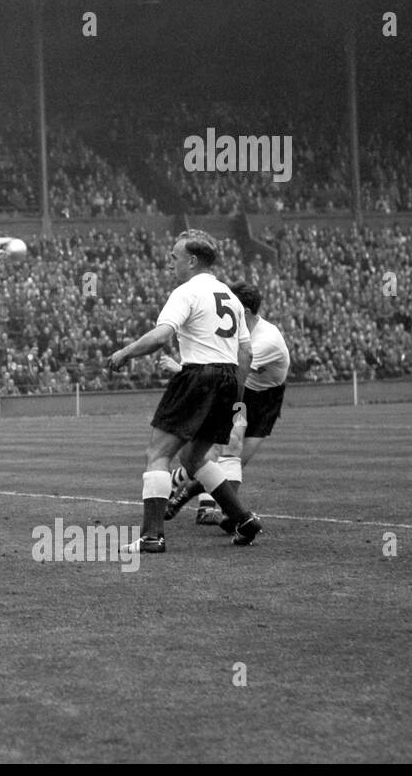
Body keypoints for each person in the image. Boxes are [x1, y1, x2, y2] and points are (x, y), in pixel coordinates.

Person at [106, 230, 261, 553]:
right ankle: (243, 519)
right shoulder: (231, 297)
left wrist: (126, 352)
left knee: (158, 454)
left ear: (191, 261)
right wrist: (237, 397)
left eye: (174, 258)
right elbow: (245, 353)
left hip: (198, 376)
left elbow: (161, 336)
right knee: (192, 457)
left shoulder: (186, 292)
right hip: (228, 378)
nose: (170, 263)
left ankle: (152, 536)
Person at [161, 281, 290, 530]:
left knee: (235, 462)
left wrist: (178, 369)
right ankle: (225, 513)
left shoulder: (267, 340)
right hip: (238, 391)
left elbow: (229, 366)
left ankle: (181, 487)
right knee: (229, 449)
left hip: (263, 399)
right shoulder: (233, 332)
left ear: (248, 313)